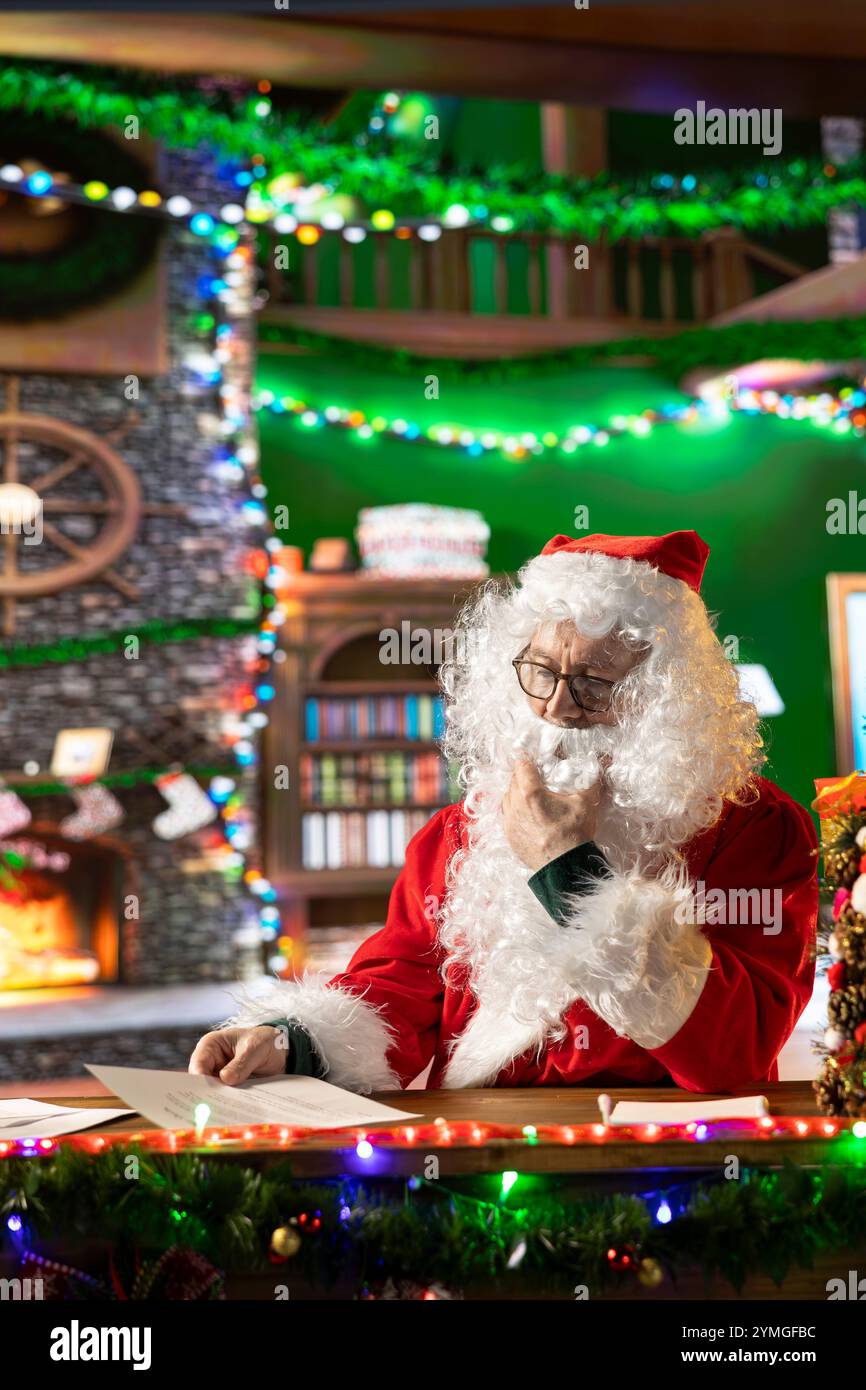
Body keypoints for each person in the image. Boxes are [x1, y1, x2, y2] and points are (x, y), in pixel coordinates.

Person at [189, 530, 817, 1094]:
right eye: (540, 672)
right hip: (475, 1151)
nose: (557, 708)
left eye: (596, 683)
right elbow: (402, 986)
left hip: (667, 1161)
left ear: (662, 698)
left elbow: (737, 1052)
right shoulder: (460, 830)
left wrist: (567, 868)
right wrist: (288, 1042)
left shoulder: (754, 826)